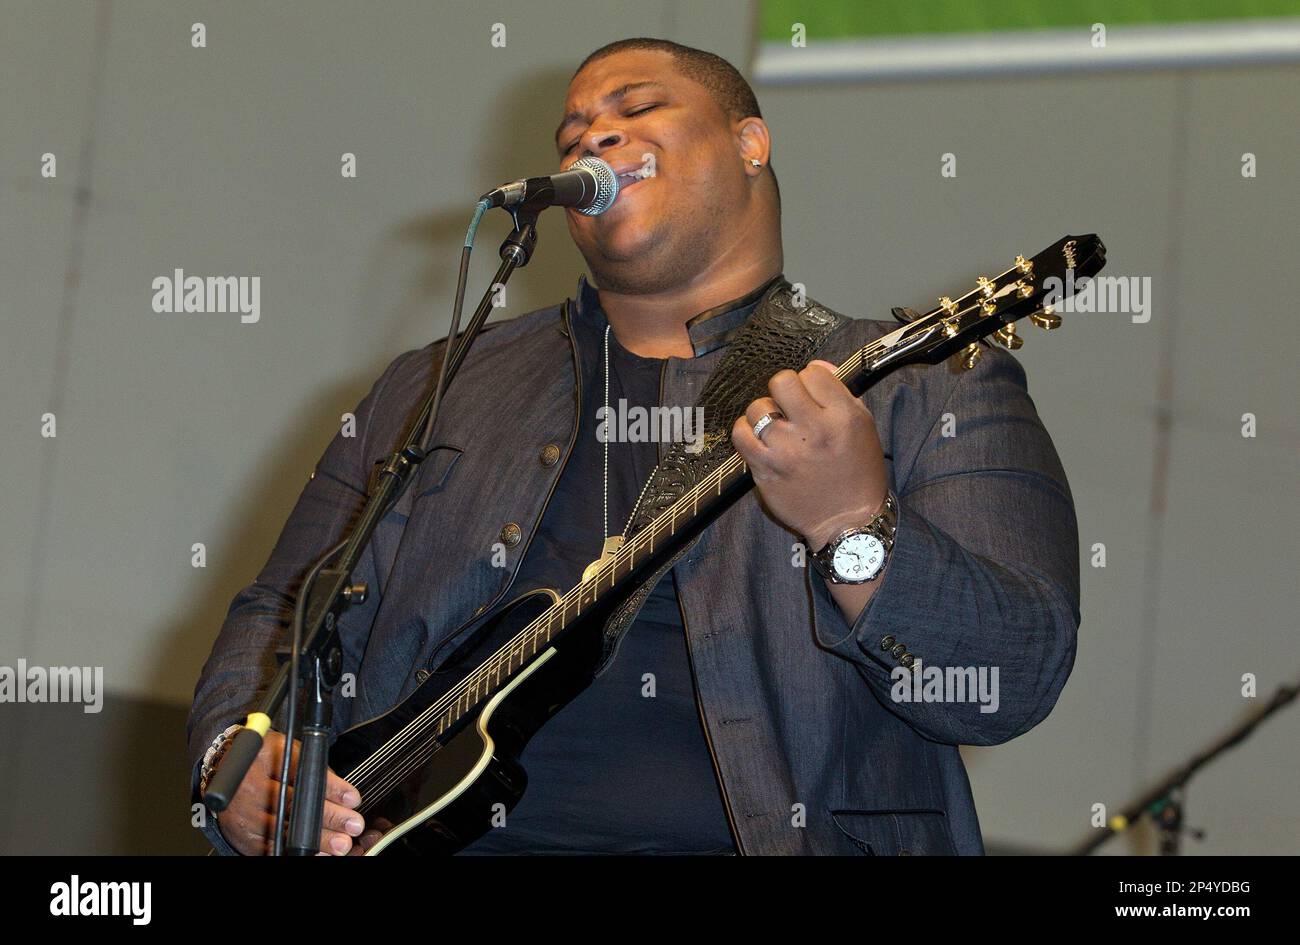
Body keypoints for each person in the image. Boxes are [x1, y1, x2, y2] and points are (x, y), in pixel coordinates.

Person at [188, 38, 1080, 856]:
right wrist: (235, 760)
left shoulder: (925, 390)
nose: (593, 135)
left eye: (636, 108)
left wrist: (855, 524)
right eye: (572, 128)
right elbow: (284, 607)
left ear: (750, 144)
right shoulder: (438, 383)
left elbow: (1008, 679)